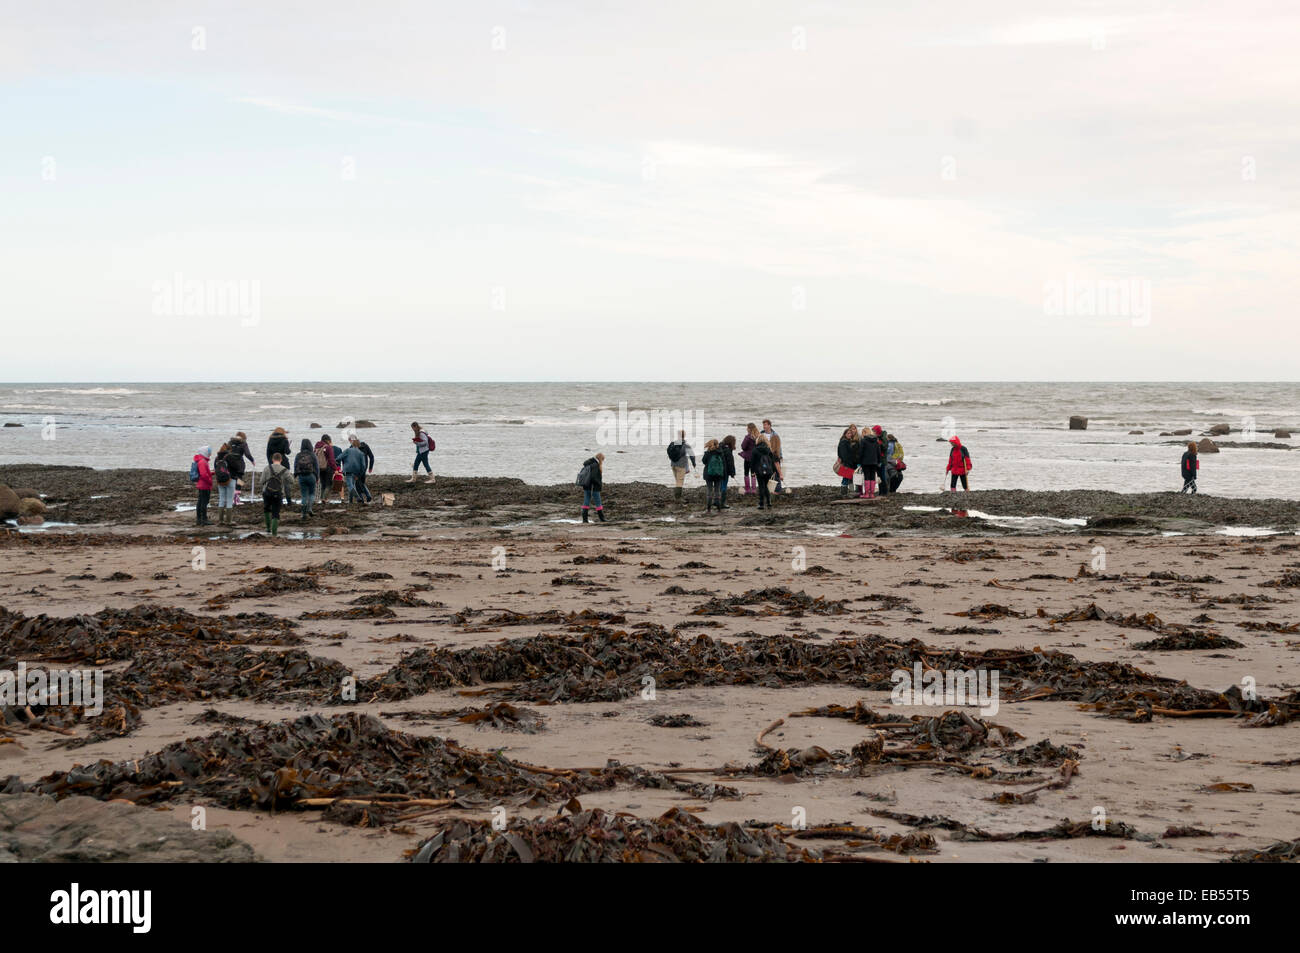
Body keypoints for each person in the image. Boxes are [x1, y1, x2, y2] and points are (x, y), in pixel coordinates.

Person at [260, 453, 291, 536]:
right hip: (278, 492)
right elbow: (291, 481)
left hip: (267, 492)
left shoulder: (267, 468)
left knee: (267, 509)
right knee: (276, 512)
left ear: (272, 460)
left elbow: (261, 481)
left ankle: (268, 528)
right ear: (281, 460)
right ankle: (274, 533)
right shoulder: (284, 469)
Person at [266, 428, 294, 504]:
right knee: (286, 482)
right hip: (284, 463)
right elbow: (287, 452)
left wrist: (270, 463)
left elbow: (267, 453)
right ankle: (289, 500)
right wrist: (288, 446)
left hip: (273, 463)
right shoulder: (284, 440)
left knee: (276, 482)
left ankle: (279, 500)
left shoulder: (270, 440)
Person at [293, 438, 319, 517]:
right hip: (311, 476)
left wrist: (295, 475)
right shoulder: (312, 455)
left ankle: (303, 514)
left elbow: (295, 465)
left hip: (301, 476)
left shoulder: (298, 455)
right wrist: (317, 477)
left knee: (304, 495)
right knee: (311, 494)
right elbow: (316, 467)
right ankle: (310, 508)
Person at [667, 430, 696, 502]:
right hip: (681, 465)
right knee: (680, 481)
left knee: (677, 480)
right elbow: (692, 456)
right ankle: (678, 498)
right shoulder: (686, 445)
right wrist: (694, 464)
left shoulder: (672, 444)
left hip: (673, 464)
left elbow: (668, 452)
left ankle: (677, 496)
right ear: (684, 435)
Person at [750, 435, 776, 509]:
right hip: (768, 471)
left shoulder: (755, 450)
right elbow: (772, 461)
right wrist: (774, 470)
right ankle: (769, 502)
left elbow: (752, 462)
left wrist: (752, 471)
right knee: (767, 486)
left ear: (758, 440)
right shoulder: (768, 449)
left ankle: (761, 504)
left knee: (761, 486)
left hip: (759, 471)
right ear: (765, 440)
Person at [213, 442, 236, 525]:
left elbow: (215, 469)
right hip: (231, 479)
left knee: (221, 499)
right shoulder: (230, 457)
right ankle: (229, 521)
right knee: (230, 500)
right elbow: (235, 467)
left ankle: (220, 520)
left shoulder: (217, 458)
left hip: (220, 481)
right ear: (229, 449)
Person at [340, 436, 368, 503]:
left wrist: (344, 468)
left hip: (353, 470)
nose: (350, 442)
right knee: (356, 485)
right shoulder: (362, 447)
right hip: (359, 470)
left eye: (350, 440)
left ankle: (357, 499)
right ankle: (354, 500)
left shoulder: (350, 449)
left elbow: (343, 459)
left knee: (353, 485)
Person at [579, 452, 606, 522]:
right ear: (600, 459)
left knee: (586, 501)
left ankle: (585, 520)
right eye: (602, 460)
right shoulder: (595, 465)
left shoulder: (589, 463)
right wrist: (598, 483)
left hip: (586, 485)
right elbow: (593, 477)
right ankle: (602, 519)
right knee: (598, 501)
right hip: (593, 487)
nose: (602, 461)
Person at [226, 433, 252, 506]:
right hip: (239, 464)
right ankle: (236, 499)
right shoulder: (243, 443)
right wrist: (252, 460)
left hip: (230, 463)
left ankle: (231, 499)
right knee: (239, 480)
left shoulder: (230, 442)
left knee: (231, 479)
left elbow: (226, 452)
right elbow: (247, 454)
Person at [701, 439, 726, 513]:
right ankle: (719, 509)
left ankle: (708, 509)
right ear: (717, 444)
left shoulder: (708, 453)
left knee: (709, 490)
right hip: (718, 475)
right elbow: (724, 464)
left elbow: (703, 461)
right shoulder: (720, 453)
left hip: (709, 474)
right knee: (717, 491)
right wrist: (723, 475)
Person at [191, 446, 213, 526]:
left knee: (201, 502)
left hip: (202, 484)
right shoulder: (203, 462)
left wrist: (211, 473)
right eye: (209, 452)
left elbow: (204, 473)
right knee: (203, 502)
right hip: (204, 485)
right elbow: (203, 474)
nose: (210, 454)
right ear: (205, 452)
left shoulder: (201, 461)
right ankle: (203, 519)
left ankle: (199, 519)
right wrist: (210, 481)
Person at [858, 424, 882, 498]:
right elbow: (878, 452)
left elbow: (861, 452)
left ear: (865, 433)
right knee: (872, 477)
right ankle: (871, 494)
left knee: (867, 477)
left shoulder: (863, 440)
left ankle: (867, 493)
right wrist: (879, 461)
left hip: (865, 461)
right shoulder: (876, 440)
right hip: (874, 461)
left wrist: (859, 461)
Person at [835, 425, 860, 498]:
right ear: (845, 434)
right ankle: (844, 493)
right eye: (848, 433)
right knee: (845, 478)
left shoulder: (847, 441)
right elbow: (844, 454)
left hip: (849, 463)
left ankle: (847, 493)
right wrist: (847, 463)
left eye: (850, 434)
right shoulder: (844, 442)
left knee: (848, 478)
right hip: (846, 463)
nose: (850, 435)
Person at [761, 420, 783, 493]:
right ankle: (773, 490)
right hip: (765, 456)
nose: (764, 426)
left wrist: (781, 455)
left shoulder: (774, 434)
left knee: (774, 472)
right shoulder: (761, 434)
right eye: (763, 425)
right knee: (770, 472)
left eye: (766, 425)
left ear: (770, 425)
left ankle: (773, 490)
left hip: (773, 454)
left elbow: (779, 446)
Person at [314, 434, 338, 503]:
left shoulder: (316, 447)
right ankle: (324, 498)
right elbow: (331, 460)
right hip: (327, 468)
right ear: (328, 440)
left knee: (323, 483)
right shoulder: (328, 447)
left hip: (319, 468)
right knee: (329, 484)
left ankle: (322, 498)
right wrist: (335, 469)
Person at [870, 426, 890, 496]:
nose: (873, 433)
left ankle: (885, 491)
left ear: (878, 431)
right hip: (877, 459)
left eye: (874, 431)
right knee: (879, 476)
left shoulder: (884, 437)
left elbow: (885, 447)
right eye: (873, 431)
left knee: (882, 476)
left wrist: (879, 442)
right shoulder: (877, 437)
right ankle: (881, 491)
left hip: (882, 460)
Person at [354, 436, 375, 502]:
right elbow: (371, 457)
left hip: (357, 468)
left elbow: (371, 457)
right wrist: (370, 467)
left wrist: (370, 467)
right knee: (361, 483)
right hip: (364, 467)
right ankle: (368, 496)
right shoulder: (365, 446)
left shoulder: (352, 447)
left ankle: (361, 499)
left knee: (357, 483)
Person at [739, 423, 759, 494]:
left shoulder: (747, 437)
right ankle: (753, 489)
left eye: (747, 428)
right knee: (753, 472)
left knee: (746, 472)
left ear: (749, 429)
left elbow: (743, 446)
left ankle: (747, 489)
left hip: (748, 457)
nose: (746, 429)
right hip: (755, 457)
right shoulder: (758, 436)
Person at [719, 435, 738, 509]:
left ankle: (717, 501)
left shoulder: (720, 447)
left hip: (718, 471)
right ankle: (722, 503)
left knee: (719, 486)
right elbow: (730, 464)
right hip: (724, 472)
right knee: (723, 487)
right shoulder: (728, 451)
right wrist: (732, 474)